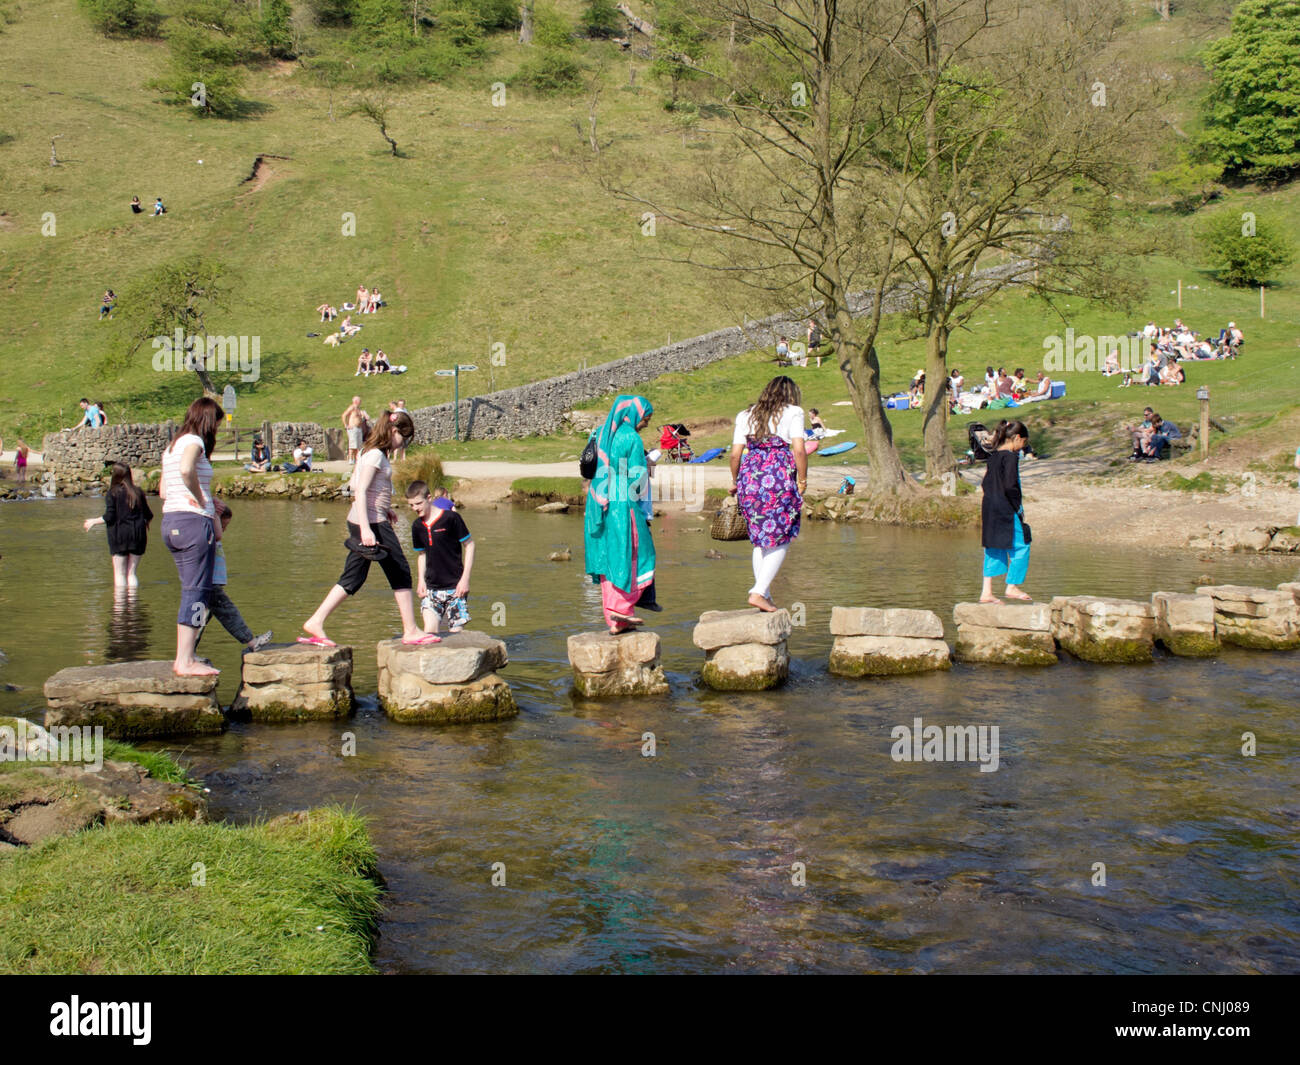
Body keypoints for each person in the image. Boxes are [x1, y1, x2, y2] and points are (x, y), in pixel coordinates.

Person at [300, 410, 433, 647]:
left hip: (368, 518)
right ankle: (410, 630)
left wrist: (385, 508)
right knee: (400, 570)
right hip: (370, 523)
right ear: (394, 431)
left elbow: (357, 484)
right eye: (405, 437)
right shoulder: (375, 456)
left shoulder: (369, 452)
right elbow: (359, 490)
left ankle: (316, 620)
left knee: (354, 576)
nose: (405, 443)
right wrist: (366, 529)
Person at [730, 376, 807, 612]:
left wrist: (735, 481)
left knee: (760, 538)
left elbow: (735, 455)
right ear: (790, 394)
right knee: (782, 535)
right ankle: (759, 592)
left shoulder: (745, 415)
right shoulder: (793, 412)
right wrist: (802, 480)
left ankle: (765, 594)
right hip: (779, 478)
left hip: (750, 477)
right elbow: (799, 450)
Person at [583, 395, 657, 634]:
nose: (645, 423)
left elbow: (598, 465)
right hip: (622, 502)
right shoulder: (631, 437)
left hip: (597, 499)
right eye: (646, 418)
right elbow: (636, 477)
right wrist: (648, 466)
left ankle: (615, 620)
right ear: (635, 414)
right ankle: (623, 609)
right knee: (634, 552)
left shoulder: (599, 432)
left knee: (607, 555)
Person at [160, 396, 223, 676]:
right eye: (217, 425)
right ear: (208, 420)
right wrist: (201, 499)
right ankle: (184, 661)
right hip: (193, 523)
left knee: (191, 589)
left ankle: (187, 654)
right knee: (198, 591)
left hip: (171, 522)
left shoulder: (172, 446)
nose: (217, 431)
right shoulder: (195, 442)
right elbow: (187, 471)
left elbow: (163, 490)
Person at [196, 500, 272, 653]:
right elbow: (213, 528)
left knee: (198, 620)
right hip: (209, 585)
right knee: (227, 612)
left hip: (208, 585)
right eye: (222, 526)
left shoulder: (210, 535)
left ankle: (189, 652)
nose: (223, 531)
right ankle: (251, 641)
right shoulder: (208, 534)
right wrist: (215, 514)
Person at [407, 481, 475, 636]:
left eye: (418, 503)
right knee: (430, 633)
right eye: (411, 505)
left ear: (429, 498)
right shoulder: (417, 526)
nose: (415, 508)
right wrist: (421, 581)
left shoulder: (452, 518)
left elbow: (470, 546)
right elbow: (422, 554)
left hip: (456, 589)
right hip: (431, 590)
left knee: (455, 636)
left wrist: (465, 579)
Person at [979, 420, 1032, 604]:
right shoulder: (1011, 457)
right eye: (1023, 443)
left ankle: (986, 592)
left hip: (989, 508)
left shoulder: (992, 457)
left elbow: (984, 483)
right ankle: (1012, 586)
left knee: (993, 547)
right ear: (1017, 438)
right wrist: (1018, 507)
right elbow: (1011, 485)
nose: (1021, 448)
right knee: (1021, 546)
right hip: (1006, 509)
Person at [83, 462, 153, 590]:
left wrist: (93, 521)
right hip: (138, 536)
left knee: (120, 574)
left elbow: (110, 516)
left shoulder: (113, 493)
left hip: (119, 536)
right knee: (131, 574)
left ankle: (120, 606)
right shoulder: (138, 492)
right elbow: (149, 515)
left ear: (115, 475)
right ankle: (133, 603)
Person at [342, 397, 366, 464]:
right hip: (353, 428)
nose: (361, 401)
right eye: (359, 400)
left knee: (358, 445)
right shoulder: (352, 407)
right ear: (356, 401)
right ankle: (350, 459)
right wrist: (346, 425)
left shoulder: (358, 409)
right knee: (352, 444)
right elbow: (344, 415)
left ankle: (356, 459)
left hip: (359, 428)